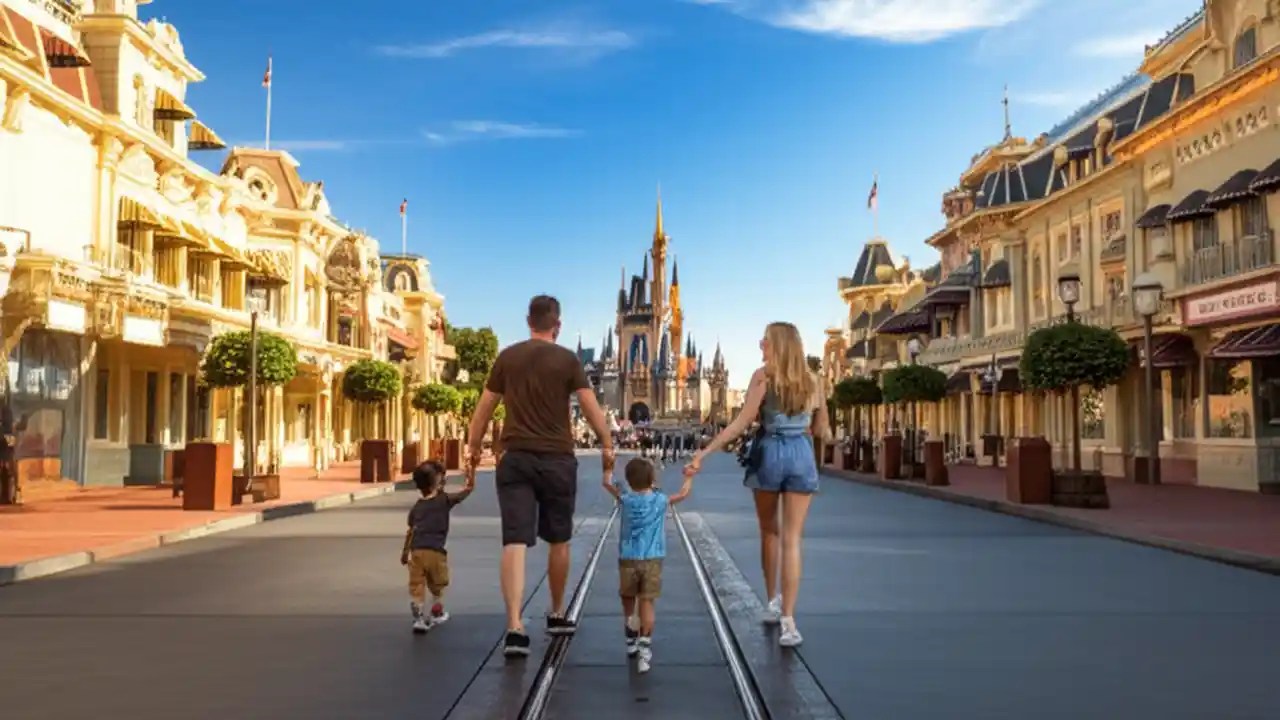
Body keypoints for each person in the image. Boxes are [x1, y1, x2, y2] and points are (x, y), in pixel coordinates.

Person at [467, 295, 615, 658]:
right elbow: (592, 407)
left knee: (514, 541)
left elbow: (484, 406)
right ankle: (556, 611)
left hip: (515, 458)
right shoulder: (568, 360)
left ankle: (515, 626)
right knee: (559, 539)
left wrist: (472, 448)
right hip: (557, 460)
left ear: (527, 321)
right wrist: (608, 444)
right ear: (558, 325)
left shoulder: (508, 357)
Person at [685, 322, 830, 648]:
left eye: (765, 340)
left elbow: (740, 423)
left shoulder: (763, 377)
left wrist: (703, 454)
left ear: (777, 345)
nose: (760, 344)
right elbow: (822, 429)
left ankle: (773, 600)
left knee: (770, 531)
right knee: (793, 539)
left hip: (770, 453)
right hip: (801, 455)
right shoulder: (814, 381)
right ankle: (790, 622)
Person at [602, 457, 692, 673]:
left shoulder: (625, 499)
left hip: (628, 558)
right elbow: (682, 494)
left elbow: (607, 483)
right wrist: (689, 477)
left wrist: (607, 467)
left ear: (629, 480)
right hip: (652, 559)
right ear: (652, 479)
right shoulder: (660, 500)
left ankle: (630, 638)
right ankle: (645, 648)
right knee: (647, 603)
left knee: (629, 602)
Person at [401, 460, 475, 634]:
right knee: (438, 583)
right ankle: (437, 608)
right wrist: (471, 474)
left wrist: (405, 553)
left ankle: (418, 612)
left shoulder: (416, 508)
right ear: (438, 482)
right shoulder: (444, 500)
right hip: (436, 551)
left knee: (417, 584)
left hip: (417, 551)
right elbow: (467, 491)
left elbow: (411, 531)